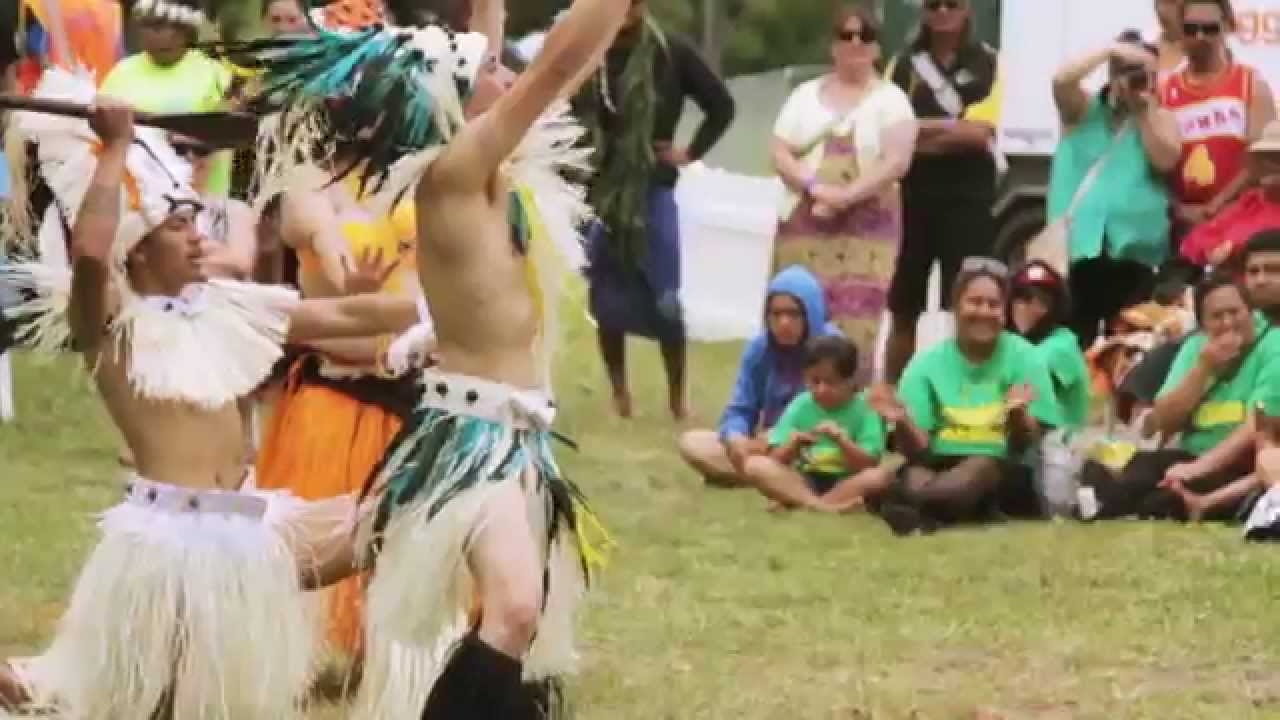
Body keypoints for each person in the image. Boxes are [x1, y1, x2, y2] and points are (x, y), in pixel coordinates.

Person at [220, 0, 627, 716]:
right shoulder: (454, 172)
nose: (504, 75)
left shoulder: (482, 160)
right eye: (486, 72)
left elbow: (559, 72)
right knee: (511, 613)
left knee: (507, 617)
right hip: (476, 436)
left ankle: (214, 562)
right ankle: (201, 566)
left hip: (507, 431)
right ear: (450, 101)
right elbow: (558, 62)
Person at [0, 77, 421, 719]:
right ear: (137, 252)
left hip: (253, 525)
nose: (198, 235)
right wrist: (113, 151)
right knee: (160, 706)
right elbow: (89, 255)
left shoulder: (228, 306)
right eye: (176, 225)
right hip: (169, 548)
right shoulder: (113, 326)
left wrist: (447, 312)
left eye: (193, 218)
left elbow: (343, 317)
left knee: (400, 515)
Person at [253, 146, 423, 672]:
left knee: (404, 535)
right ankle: (288, 655)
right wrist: (355, 289)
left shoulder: (421, 172)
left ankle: (393, 653)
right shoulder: (306, 183)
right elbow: (326, 246)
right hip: (334, 389)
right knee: (318, 538)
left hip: (412, 381)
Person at [574, 0, 734, 421]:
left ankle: (677, 398)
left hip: (653, 186)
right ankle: (620, 394)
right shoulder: (590, 50)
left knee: (665, 298)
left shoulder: (670, 51)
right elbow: (568, 114)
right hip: (601, 190)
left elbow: (722, 106)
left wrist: (689, 152)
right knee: (605, 295)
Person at [770, 4, 917, 386]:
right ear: (832, 45)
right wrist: (815, 188)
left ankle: (852, 413)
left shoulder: (893, 100)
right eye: (846, 36)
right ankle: (789, 404)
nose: (855, 44)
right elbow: (779, 151)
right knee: (797, 313)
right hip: (805, 224)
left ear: (877, 48)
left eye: (864, 36)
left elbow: (896, 160)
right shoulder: (804, 95)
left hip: (865, 235)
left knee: (857, 320)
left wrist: (846, 196)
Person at [870, 258, 1062, 536]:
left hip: (1002, 467)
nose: (983, 312)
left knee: (979, 466)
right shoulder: (926, 364)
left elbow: (1029, 445)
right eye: (974, 302)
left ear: (1004, 313)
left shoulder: (1026, 357)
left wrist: (1017, 416)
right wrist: (902, 421)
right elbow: (919, 450)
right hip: (940, 460)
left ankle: (905, 505)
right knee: (916, 474)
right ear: (956, 308)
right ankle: (925, 509)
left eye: (993, 304)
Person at [1085, 273, 1278, 521]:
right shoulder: (1195, 348)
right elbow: (1163, 421)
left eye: (1235, 312)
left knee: (1161, 500)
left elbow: (1257, 425)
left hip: (1239, 464)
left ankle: (1107, 502)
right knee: (1139, 469)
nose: (1228, 323)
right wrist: (1202, 369)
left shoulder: (1273, 345)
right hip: (1187, 456)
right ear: (1203, 324)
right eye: (1217, 317)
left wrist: (1198, 468)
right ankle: (1103, 500)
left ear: (1250, 312)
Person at [883, 0, 1003, 383]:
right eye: (934, 4)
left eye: (952, 3)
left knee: (966, 307)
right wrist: (949, 130)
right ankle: (893, 399)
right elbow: (890, 132)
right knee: (904, 308)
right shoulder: (901, 65)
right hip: (912, 199)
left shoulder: (990, 63)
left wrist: (919, 131)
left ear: (967, 9)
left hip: (968, 200)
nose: (943, 12)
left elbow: (980, 133)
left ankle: (963, 394)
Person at [1049, 31, 1181, 349]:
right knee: (1072, 340)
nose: (1131, 79)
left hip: (1135, 254)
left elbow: (1165, 160)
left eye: (1140, 72)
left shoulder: (1160, 117)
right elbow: (1061, 80)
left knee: (1126, 343)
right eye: (1125, 70)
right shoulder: (1083, 110)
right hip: (1080, 249)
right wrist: (1111, 51)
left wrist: (1144, 111)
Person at [677, 265, 841, 488]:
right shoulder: (759, 348)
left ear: (811, 313)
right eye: (776, 314)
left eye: (793, 314)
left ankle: (762, 476)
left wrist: (773, 438)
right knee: (693, 443)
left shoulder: (832, 348)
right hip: (764, 448)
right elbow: (740, 408)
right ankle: (765, 476)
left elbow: (823, 417)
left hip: (814, 450)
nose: (784, 323)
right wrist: (736, 437)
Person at [1160, 0, 1276, 255]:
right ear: (1180, 31)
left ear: (1227, 27)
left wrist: (1217, 206)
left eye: (1210, 28)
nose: (1200, 36)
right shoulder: (1164, 92)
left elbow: (1263, 161)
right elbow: (1155, 166)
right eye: (1191, 28)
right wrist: (1179, 209)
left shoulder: (1251, 83)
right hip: (1180, 226)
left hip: (1239, 223)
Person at [741, 334, 891, 513]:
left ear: (851, 380)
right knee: (755, 465)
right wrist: (792, 445)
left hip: (847, 480)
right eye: (814, 382)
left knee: (880, 476)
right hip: (804, 478)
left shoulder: (867, 407)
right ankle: (822, 506)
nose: (821, 389)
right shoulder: (801, 404)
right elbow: (776, 460)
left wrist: (842, 441)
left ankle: (802, 503)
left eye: (830, 382)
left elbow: (869, 464)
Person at [101, 0, 234, 196]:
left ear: (188, 30)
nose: (159, 36)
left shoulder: (215, 74)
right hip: (135, 201)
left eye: (169, 26)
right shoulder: (121, 72)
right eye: (151, 26)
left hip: (200, 198)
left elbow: (231, 128)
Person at [1181, 121, 1280, 268]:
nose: (1270, 164)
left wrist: (1235, 250)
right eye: (1264, 157)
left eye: (1277, 158)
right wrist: (1210, 250)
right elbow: (1193, 242)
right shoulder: (1250, 202)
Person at [1007, 261, 1091, 430]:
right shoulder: (1011, 342)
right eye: (1024, 297)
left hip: (1054, 448)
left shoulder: (1062, 344)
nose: (1032, 307)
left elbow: (1032, 366)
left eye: (1043, 301)